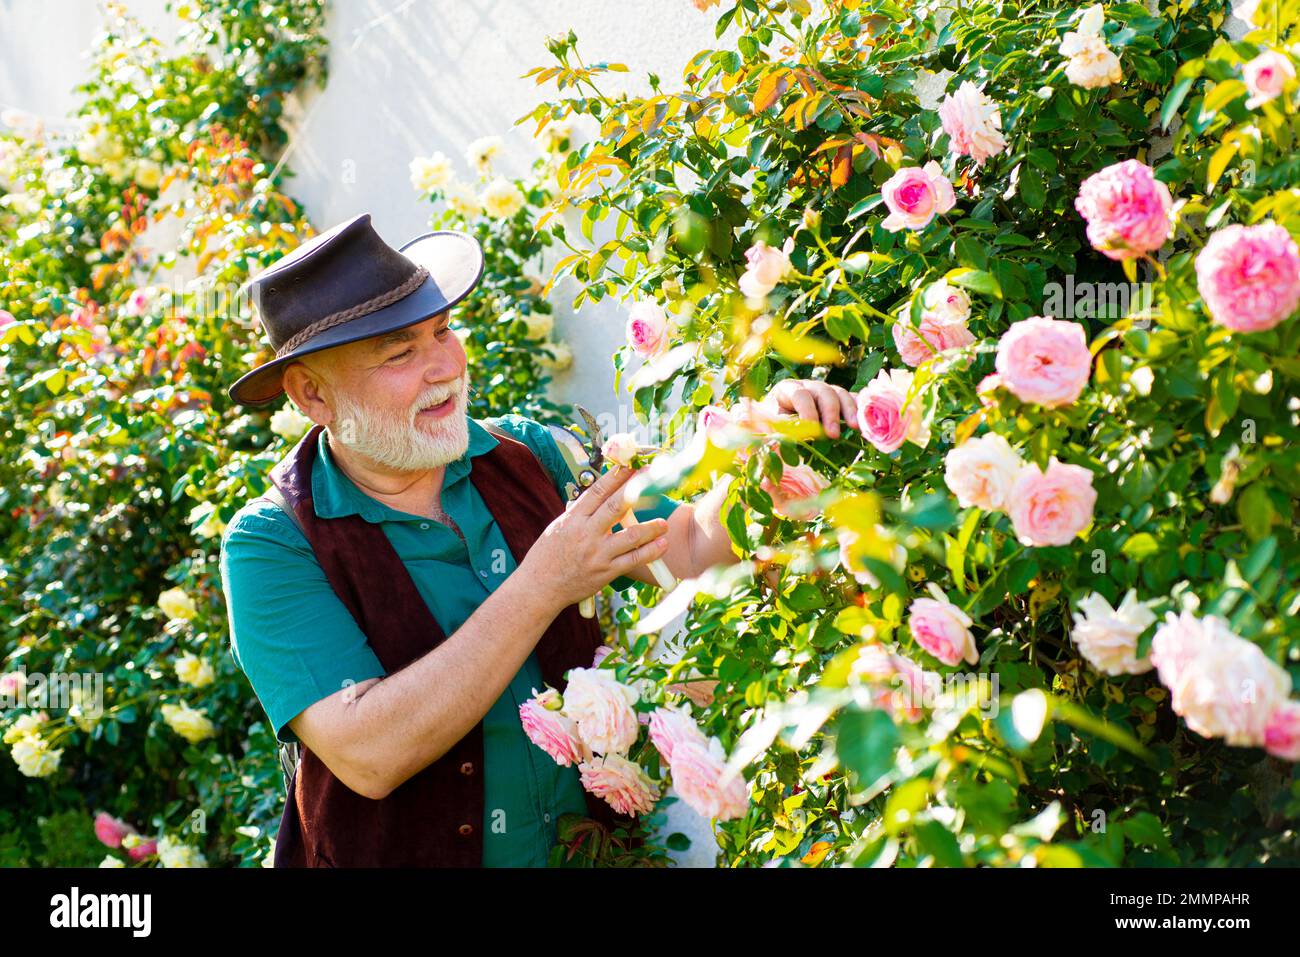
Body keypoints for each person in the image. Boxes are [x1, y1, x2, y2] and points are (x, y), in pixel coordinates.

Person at [218, 211, 858, 866]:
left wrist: (761, 459)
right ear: (312, 394)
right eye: (401, 353)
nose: (443, 367)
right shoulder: (272, 543)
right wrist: (543, 582)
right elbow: (371, 752)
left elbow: (688, 548)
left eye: (442, 331)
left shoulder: (530, 454)